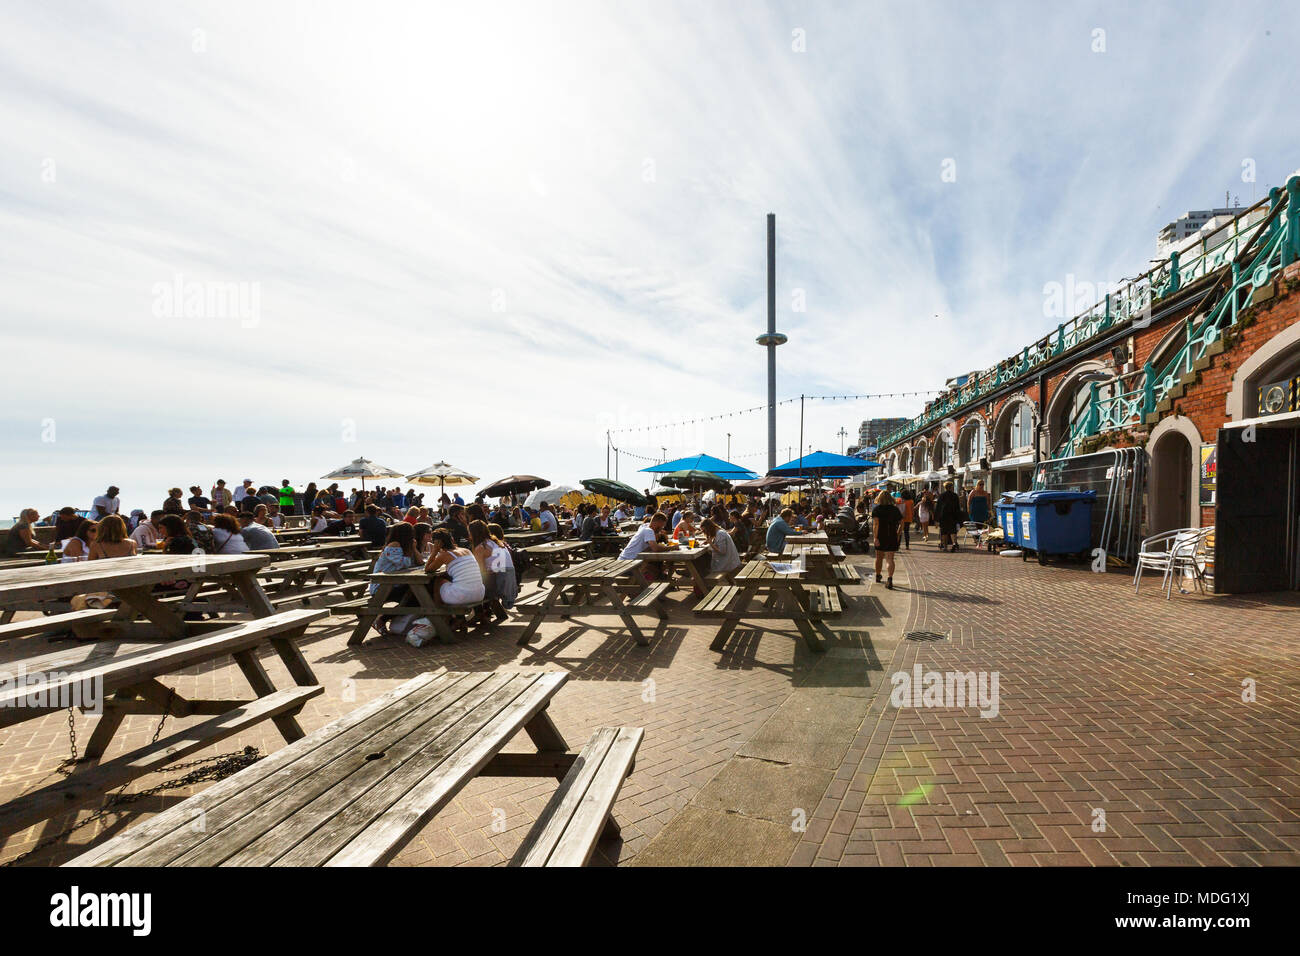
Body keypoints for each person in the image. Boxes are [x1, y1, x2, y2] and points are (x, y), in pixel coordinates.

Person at [426, 527, 485, 607]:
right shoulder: (466, 550)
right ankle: (456, 617)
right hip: (480, 594)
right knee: (452, 579)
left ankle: (439, 612)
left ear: (438, 543)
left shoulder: (444, 555)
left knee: (438, 581)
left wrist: (435, 551)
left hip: (463, 596)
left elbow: (428, 569)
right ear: (451, 539)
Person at [871, 489, 903, 589]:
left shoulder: (877, 510)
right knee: (890, 559)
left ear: (879, 498)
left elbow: (876, 525)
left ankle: (878, 575)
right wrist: (898, 533)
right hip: (892, 535)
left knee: (879, 557)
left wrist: (875, 537)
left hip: (880, 535)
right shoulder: (895, 509)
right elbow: (902, 522)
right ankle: (890, 579)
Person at [935, 481, 962, 552]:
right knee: (953, 531)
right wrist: (958, 517)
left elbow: (938, 507)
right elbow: (957, 507)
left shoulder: (941, 496)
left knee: (944, 532)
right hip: (952, 515)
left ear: (945, 487)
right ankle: (954, 544)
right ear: (951, 487)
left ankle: (945, 547)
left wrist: (936, 519)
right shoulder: (955, 495)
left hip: (943, 516)